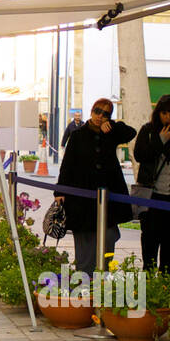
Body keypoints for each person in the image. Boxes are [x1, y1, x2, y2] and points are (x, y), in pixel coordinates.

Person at [55, 98, 136, 275]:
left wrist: (113, 126)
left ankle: (102, 277)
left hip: (107, 197)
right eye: (98, 111)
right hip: (81, 197)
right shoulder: (78, 135)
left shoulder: (111, 132)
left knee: (108, 236)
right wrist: (60, 191)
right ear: (91, 111)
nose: (100, 116)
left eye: (105, 114)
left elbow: (131, 132)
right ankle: (84, 279)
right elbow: (67, 164)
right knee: (84, 240)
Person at [133, 94, 170, 270]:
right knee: (150, 238)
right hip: (153, 193)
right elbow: (140, 156)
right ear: (158, 113)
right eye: (165, 113)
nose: (168, 117)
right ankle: (149, 277)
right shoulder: (148, 130)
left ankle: (166, 279)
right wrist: (160, 141)